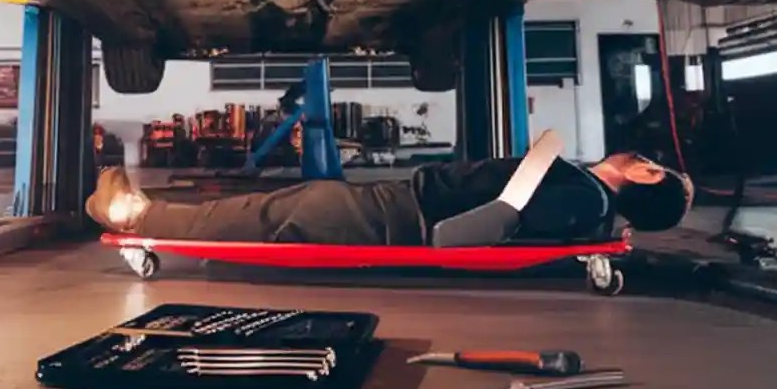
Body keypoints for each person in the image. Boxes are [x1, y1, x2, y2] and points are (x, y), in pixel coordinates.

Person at [86, 130, 693, 247]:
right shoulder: (586, 189)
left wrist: (436, 240)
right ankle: (147, 211)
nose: (643, 158)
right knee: (284, 207)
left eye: (651, 164)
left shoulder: (588, 198)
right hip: (408, 204)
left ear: (645, 177)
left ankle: (136, 216)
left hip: (407, 218)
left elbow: (507, 215)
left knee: (278, 214)